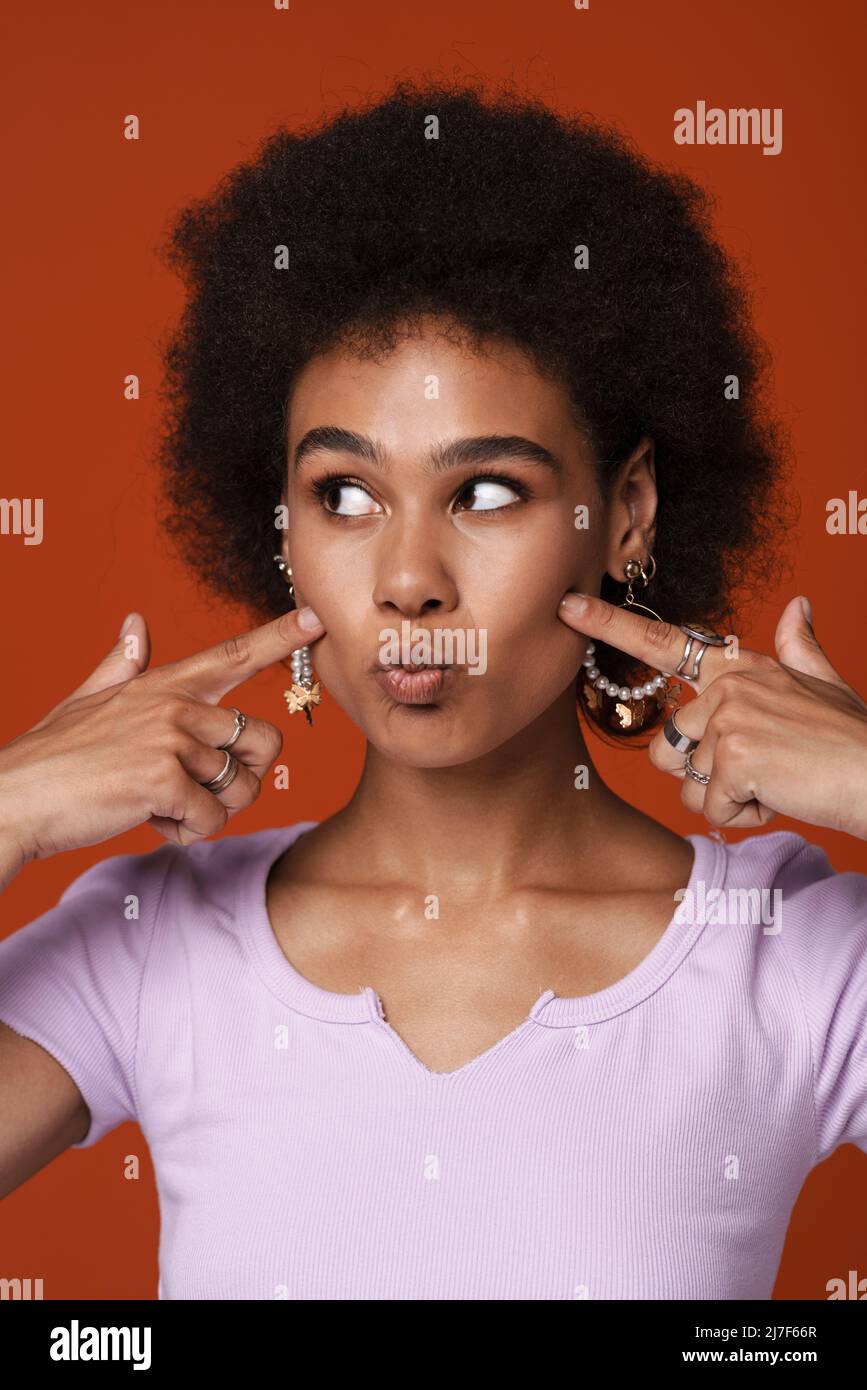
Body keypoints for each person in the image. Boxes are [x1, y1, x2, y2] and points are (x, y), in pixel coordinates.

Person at [1, 78, 866, 1301]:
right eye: (344, 496)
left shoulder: (787, 958)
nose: (408, 580)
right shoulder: (157, 947)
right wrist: (8, 808)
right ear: (284, 534)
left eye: (486, 492)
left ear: (622, 514)